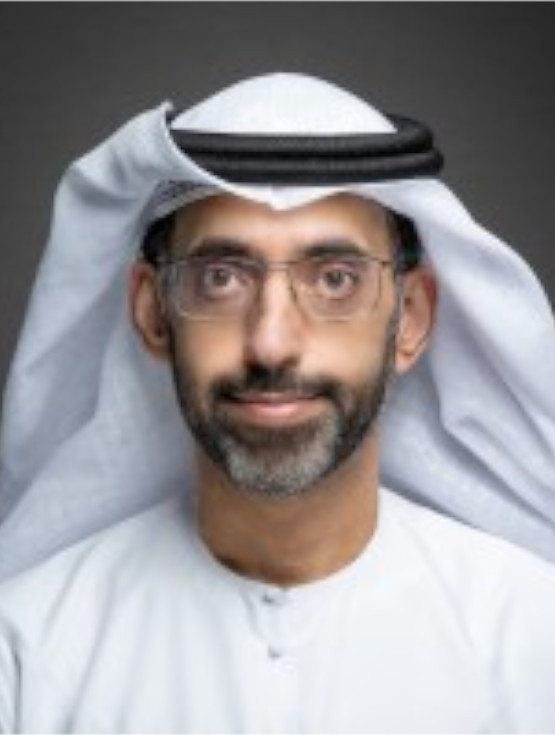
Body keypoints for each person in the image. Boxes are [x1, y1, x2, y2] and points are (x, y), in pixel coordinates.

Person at [1, 72, 555, 733]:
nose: (271, 343)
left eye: (335, 279)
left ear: (410, 317)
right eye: (220, 277)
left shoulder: (530, 644)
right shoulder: (30, 653)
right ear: (152, 314)